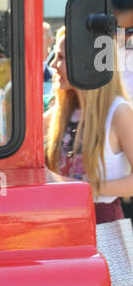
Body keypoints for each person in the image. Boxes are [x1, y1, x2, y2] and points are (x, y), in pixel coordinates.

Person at [45, 27, 133, 222]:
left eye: (61, 57)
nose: (53, 64)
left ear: (86, 63)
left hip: (101, 222)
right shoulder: (60, 112)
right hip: (59, 220)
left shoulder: (118, 111)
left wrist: (89, 187)